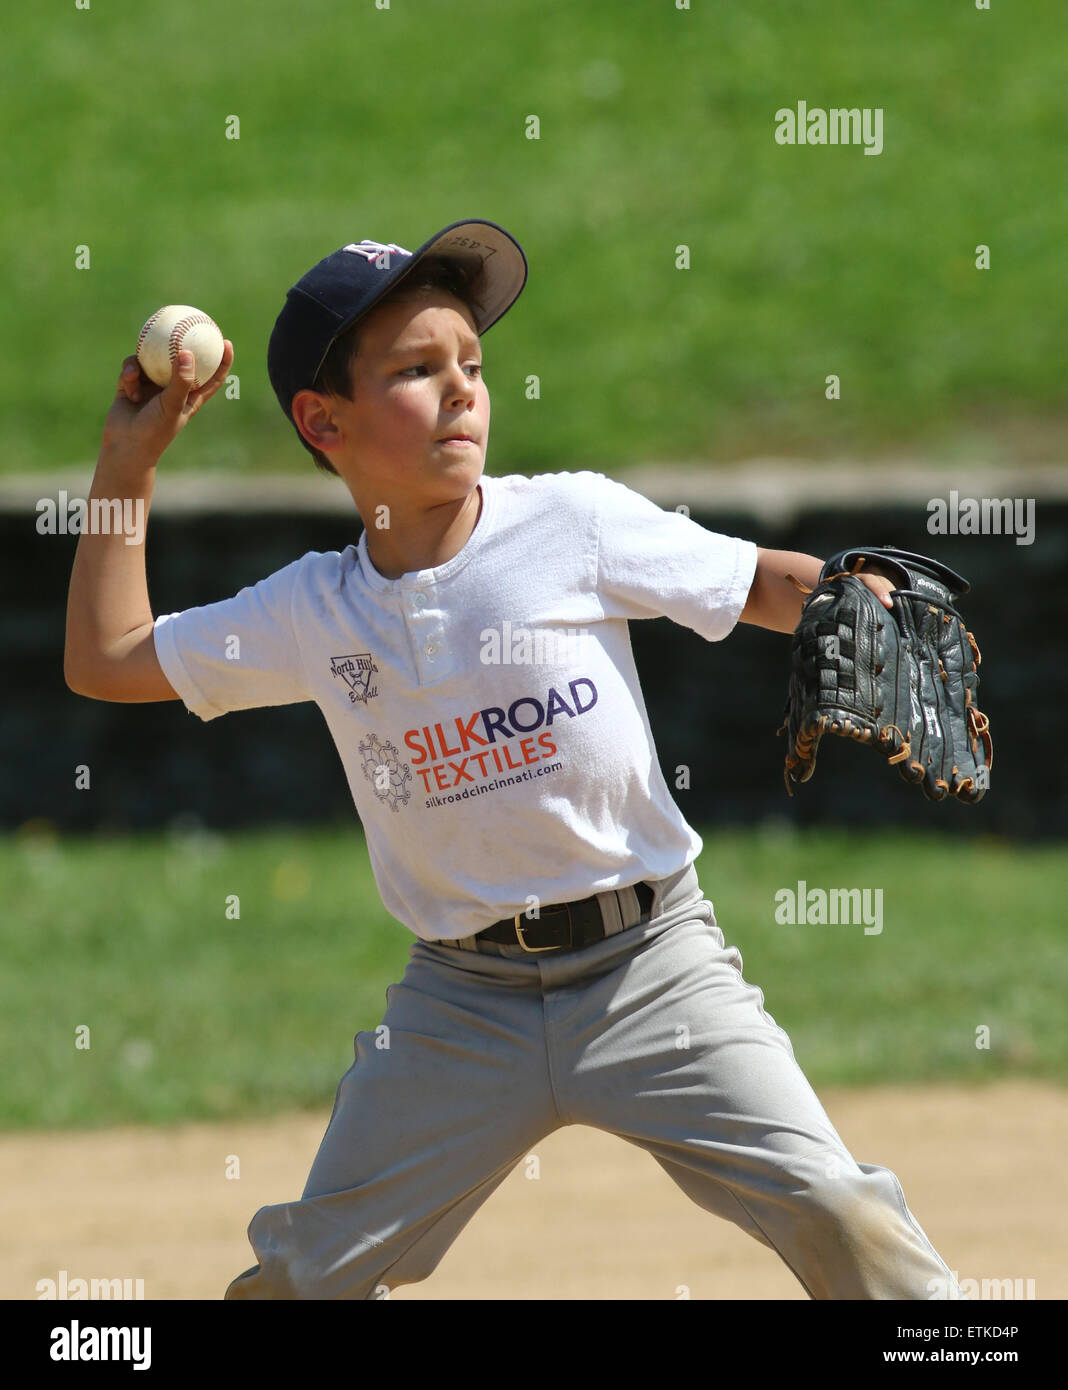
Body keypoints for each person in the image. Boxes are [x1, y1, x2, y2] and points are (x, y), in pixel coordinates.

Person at [65, 219, 965, 1301]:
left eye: (471, 365)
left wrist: (847, 596)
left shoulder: (569, 524)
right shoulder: (313, 609)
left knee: (839, 1210)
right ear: (322, 419)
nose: (461, 391)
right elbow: (108, 659)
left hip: (653, 969)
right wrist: (128, 463)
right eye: (415, 369)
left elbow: (753, 581)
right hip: (462, 1007)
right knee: (304, 1280)